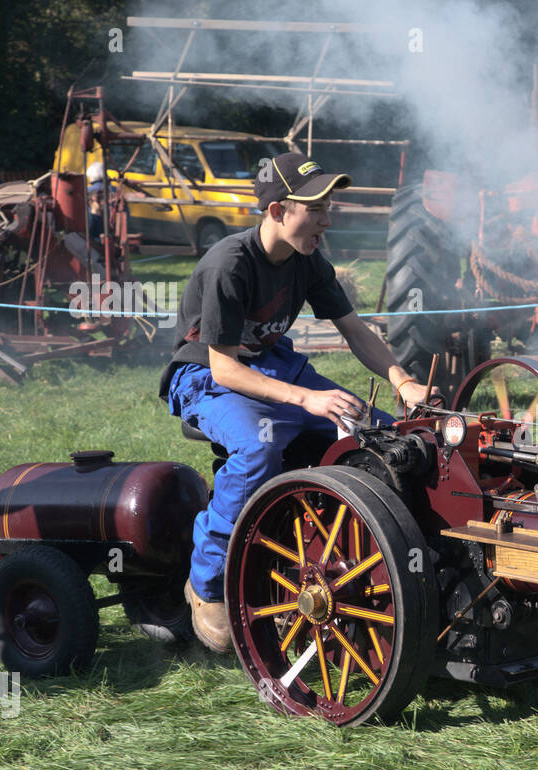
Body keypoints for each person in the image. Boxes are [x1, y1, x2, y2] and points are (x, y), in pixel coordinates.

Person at [159, 151, 440, 652]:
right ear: (277, 211)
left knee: (376, 436)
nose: (327, 220)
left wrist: (402, 382)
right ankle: (205, 585)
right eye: (317, 208)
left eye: (329, 206)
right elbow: (224, 366)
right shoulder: (230, 265)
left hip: (271, 364)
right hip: (204, 372)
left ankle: (383, 561)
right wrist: (306, 397)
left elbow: (354, 329)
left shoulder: (307, 261)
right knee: (256, 452)